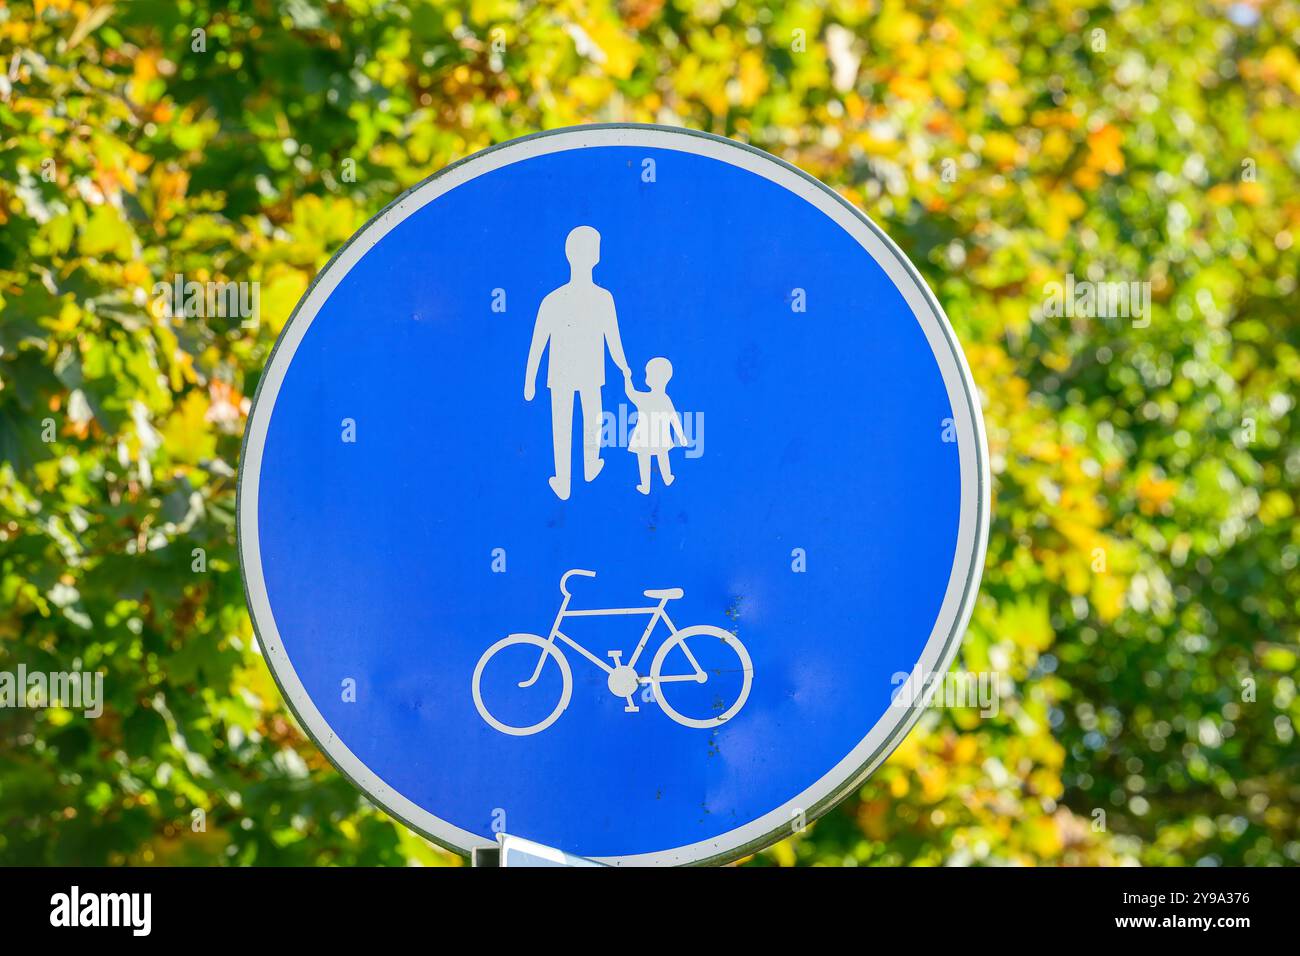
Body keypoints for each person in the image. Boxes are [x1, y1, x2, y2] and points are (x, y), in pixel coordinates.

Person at [524, 226, 630, 500]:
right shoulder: (593, 298)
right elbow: (539, 343)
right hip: (577, 373)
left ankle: (569, 475)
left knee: (573, 423)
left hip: (572, 374)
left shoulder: (556, 299)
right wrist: (623, 366)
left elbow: (612, 340)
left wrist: (623, 365)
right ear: (595, 257)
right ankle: (584, 468)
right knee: (585, 421)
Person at [624, 357, 687, 494]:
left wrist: (627, 378)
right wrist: (681, 436)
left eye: (648, 374)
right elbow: (673, 418)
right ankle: (667, 477)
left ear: (653, 378)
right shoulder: (665, 399)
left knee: (643, 458)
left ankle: (645, 486)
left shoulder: (644, 398)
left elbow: (630, 393)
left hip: (644, 436)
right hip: (660, 436)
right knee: (662, 454)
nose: (646, 376)